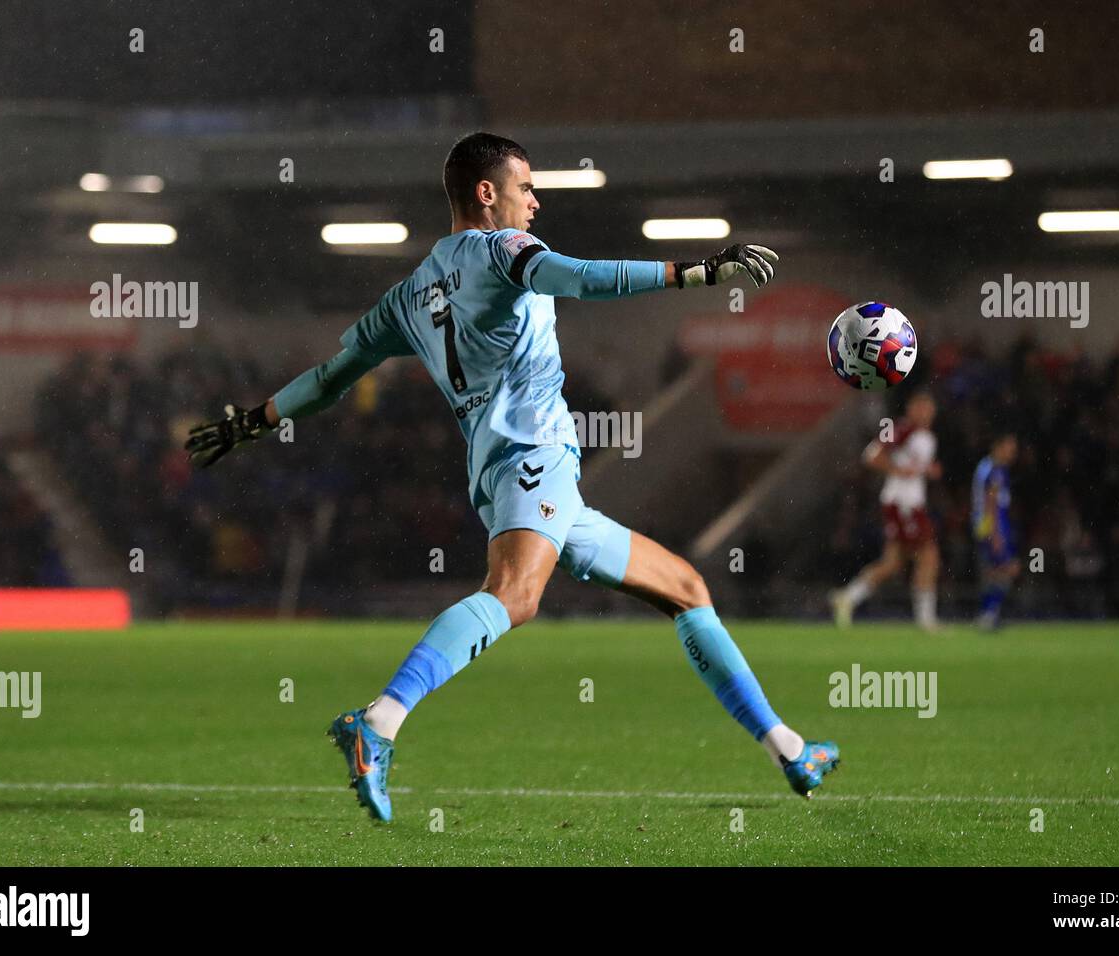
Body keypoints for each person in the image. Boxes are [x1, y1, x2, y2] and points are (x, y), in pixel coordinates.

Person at [185, 132, 838, 821]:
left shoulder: (407, 296)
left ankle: (789, 749)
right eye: (525, 187)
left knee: (683, 586)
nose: (537, 199)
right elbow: (582, 278)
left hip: (503, 474)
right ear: (486, 194)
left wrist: (251, 420)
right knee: (514, 596)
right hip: (536, 460)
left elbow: (327, 380)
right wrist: (698, 275)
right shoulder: (505, 252)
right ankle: (377, 722)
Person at [830, 391, 942, 630]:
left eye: (929, 408)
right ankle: (926, 620)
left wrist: (926, 470)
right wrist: (898, 471)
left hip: (908, 503)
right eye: (921, 407)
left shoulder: (925, 436)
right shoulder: (902, 430)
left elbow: (912, 465)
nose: (926, 413)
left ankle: (847, 598)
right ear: (912, 409)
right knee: (929, 556)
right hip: (903, 504)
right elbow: (872, 455)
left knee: (892, 563)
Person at [972, 433, 1020, 630]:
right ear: (998, 446)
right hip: (994, 524)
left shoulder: (985, 467)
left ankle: (988, 614)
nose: (1012, 453)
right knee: (1007, 569)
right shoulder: (995, 470)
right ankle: (989, 614)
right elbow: (991, 501)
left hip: (985, 524)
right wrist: (996, 533)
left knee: (993, 571)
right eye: (1009, 448)